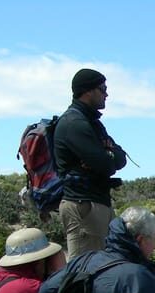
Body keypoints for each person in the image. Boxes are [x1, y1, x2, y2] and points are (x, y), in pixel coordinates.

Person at [54, 68, 127, 258]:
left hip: (96, 203)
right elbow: (108, 165)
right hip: (83, 206)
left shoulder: (91, 122)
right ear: (88, 91)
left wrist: (106, 155)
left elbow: (120, 158)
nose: (106, 94)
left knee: (102, 268)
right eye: (102, 89)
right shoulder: (74, 123)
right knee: (85, 272)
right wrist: (106, 155)